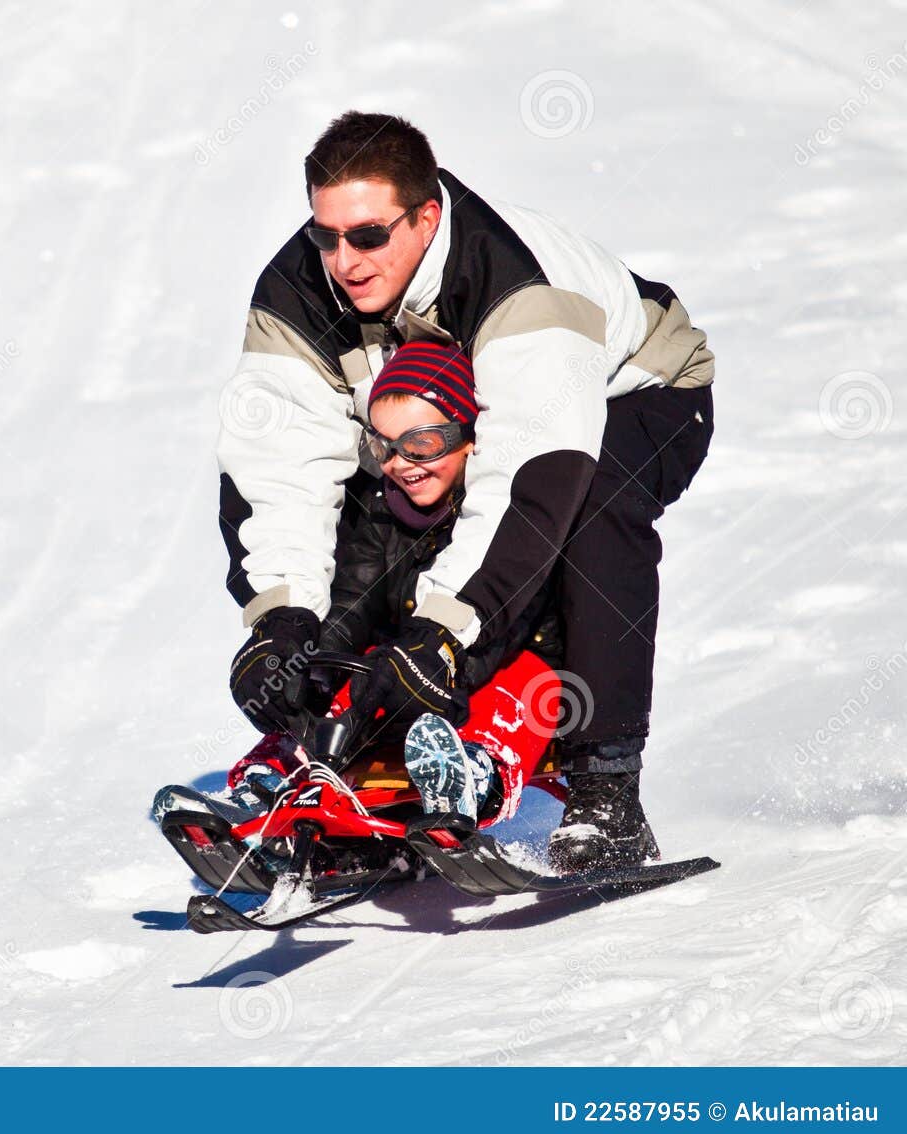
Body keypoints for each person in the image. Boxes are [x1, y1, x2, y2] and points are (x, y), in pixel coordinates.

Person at [220, 112, 714, 870]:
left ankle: (606, 793)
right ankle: (353, 775)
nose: (343, 260)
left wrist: (444, 631)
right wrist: (282, 618)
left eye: (368, 236)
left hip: (630, 395)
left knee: (590, 508)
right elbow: (279, 463)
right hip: (445, 418)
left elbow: (528, 477)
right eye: (326, 235)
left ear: (426, 215)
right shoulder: (297, 291)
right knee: (383, 496)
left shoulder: (517, 285)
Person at [228, 341, 564, 829]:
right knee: (347, 677)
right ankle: (276, 773)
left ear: (468, 436)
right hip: (412, 668)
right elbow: (352, 602)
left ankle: (472, 775)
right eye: (384, 446)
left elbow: (508, 619)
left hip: (506, 663)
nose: (402, 462)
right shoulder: (384, 516)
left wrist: (435, 664)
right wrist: (310, 659)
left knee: (521, 684)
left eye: (422, 442)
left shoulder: (502, 518)